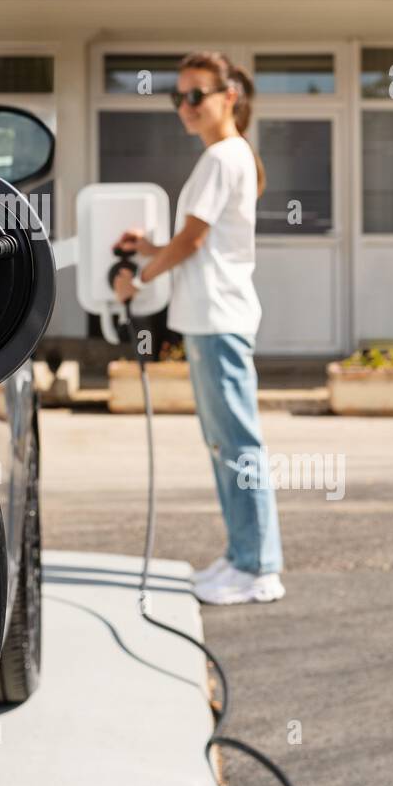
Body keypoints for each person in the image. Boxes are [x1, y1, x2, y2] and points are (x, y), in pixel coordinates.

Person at [114, 50, 284, 606]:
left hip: (219, 318)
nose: (184, 106)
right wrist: (149, 249)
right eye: (178, 96)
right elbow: (189, 245)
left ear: (228, 97)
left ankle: (258, 568)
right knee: (225, 442)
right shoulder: (227, 156)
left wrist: (138, 280)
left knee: (236, 442)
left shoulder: (222, 157)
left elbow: (193, 242)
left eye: (196, 95)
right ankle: (241, 558)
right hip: (211, 317)